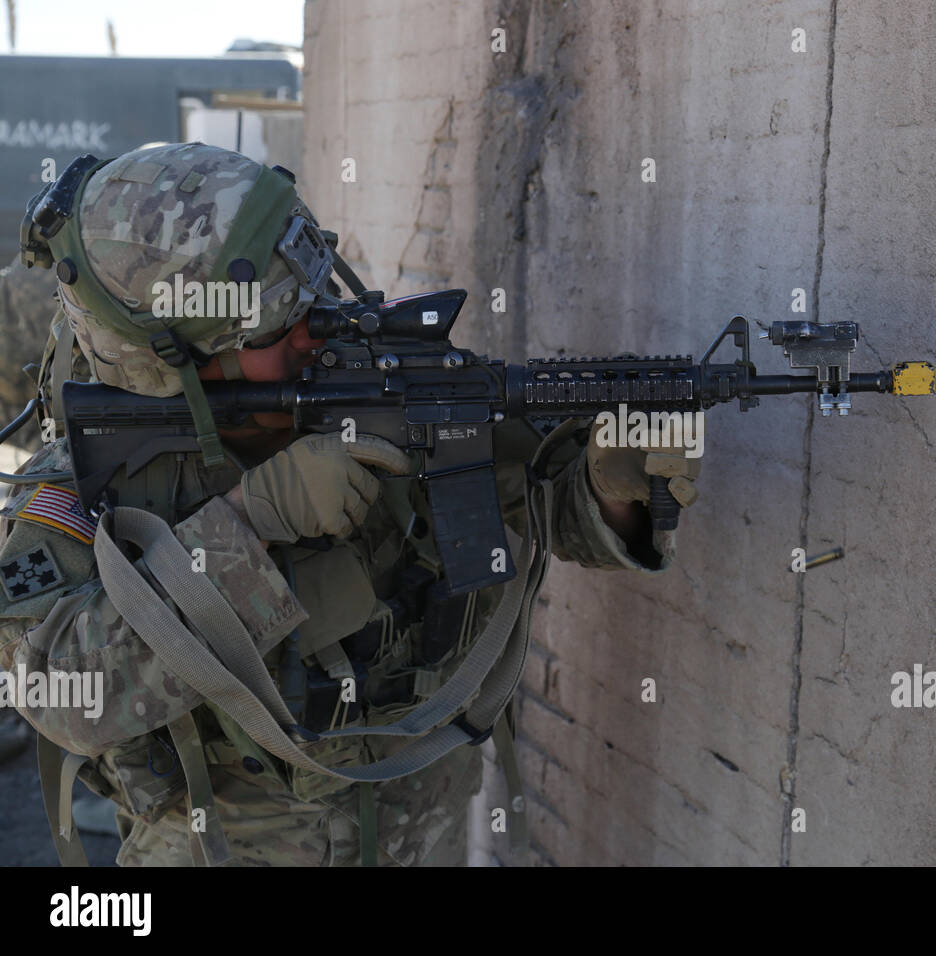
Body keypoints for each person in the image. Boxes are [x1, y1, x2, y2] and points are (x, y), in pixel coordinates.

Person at [0, 142, 702, 865]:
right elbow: (61, 696)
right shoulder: (86, 485)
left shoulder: (366, 384)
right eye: (277, 328)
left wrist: (609, 490)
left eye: (311, 296)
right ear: (179, 354)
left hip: (419, 831)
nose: (314, 330)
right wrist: (247, 523)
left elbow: (539, 500)